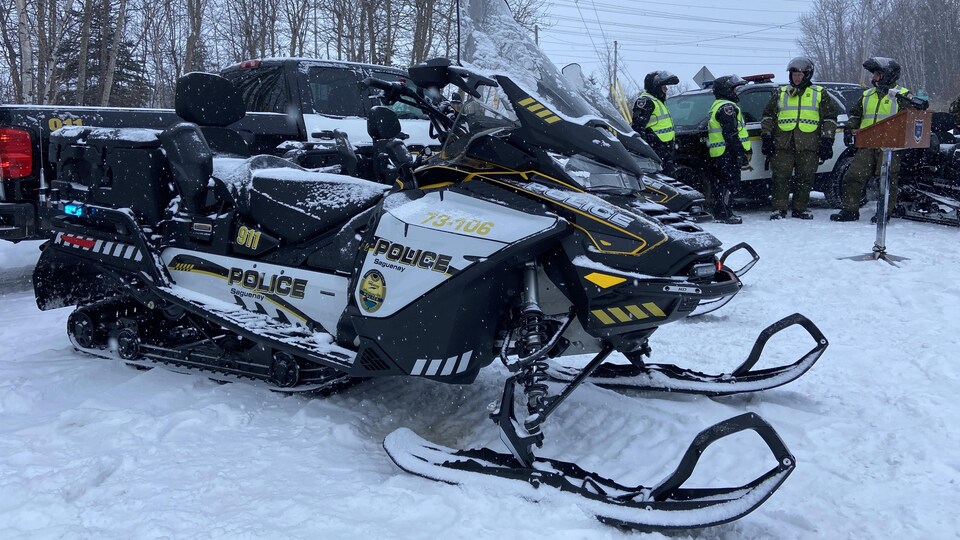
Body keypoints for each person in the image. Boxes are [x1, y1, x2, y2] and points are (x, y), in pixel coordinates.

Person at [831, 57, 928, 223]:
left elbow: (915, 116)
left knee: (886, 180)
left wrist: (919, 106)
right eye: (874, 74)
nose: (873, 77)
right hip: (867, 144)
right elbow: (856, 115)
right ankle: (850, 210)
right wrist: (849, 127)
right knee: (853, 176)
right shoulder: (867, 94)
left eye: (877, 74)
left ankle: (884, 214)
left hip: (890, 146)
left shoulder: (903, 95)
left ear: (888, 75)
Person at [761, 57, 839, 220]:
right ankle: (779, 208)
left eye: (800, 74)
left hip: (809, 144)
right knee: (780, 177)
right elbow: (768, 116)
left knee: (805, 178)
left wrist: (827, 140)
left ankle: (800, 208)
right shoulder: (781, 93)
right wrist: (766, 136)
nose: (797, 77)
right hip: (783, 143)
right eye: (794, 74)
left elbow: (830, 119)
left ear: (808, 75)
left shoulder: (819, 93)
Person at [705, 74, 752, 224]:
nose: (736, 92)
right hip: (727, 153)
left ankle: (721, 210)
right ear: (726, 90)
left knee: (722, 183)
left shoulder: (718, 105)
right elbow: (731, 134)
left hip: (721, 153)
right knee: (729, 183)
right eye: (734, 89)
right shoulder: (727, 107)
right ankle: (725, 213)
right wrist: (739, 153)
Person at [632, 70, 679, 175]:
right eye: (664, 86)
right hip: (656, 149)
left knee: (669, 178)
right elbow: (637, 127)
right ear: (656, 86)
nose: (666, 89)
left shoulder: (657, 101)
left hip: (665, 149)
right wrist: (646, 148)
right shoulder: (646, 101)